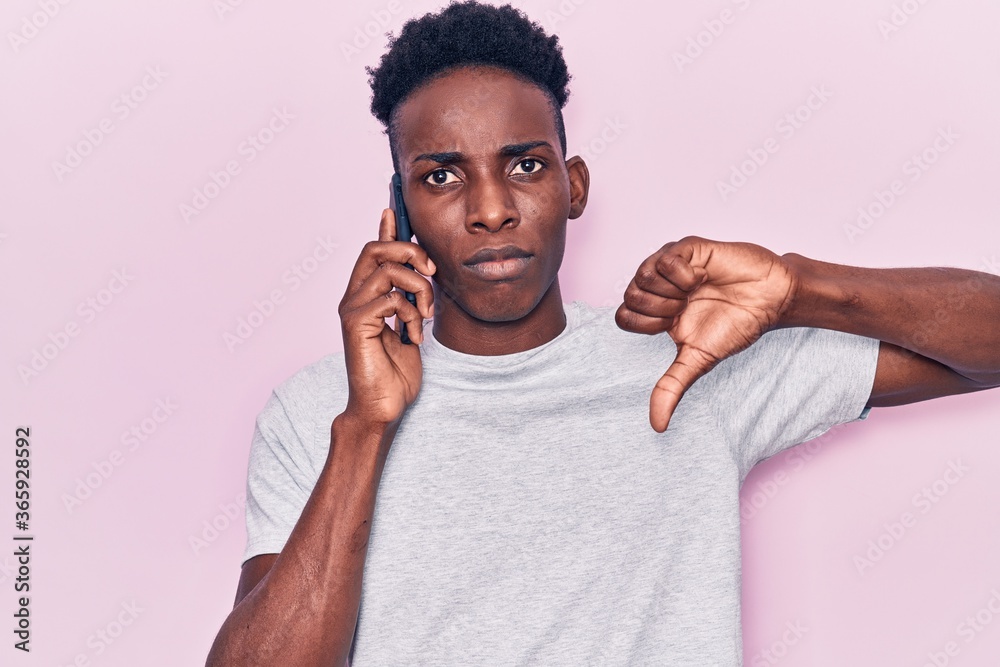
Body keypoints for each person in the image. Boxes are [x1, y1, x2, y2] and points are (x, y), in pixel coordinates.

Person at [205, 2, 1000, 665]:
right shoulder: (319, 412)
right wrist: (366, 425)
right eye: (442, 176)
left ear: (573, 184)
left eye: (524, 165)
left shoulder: (690, 357)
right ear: (400, 208)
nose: (490, 209)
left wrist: (801, 287)